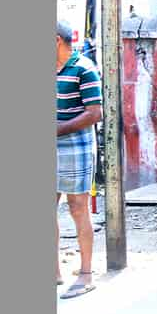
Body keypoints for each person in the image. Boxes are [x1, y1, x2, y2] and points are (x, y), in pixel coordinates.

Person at [56, 21, 101, 299]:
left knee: (78, 208)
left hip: (75, 144)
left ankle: (86, 274)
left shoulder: (84, 67)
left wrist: (58, 129)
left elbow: (95, 113)